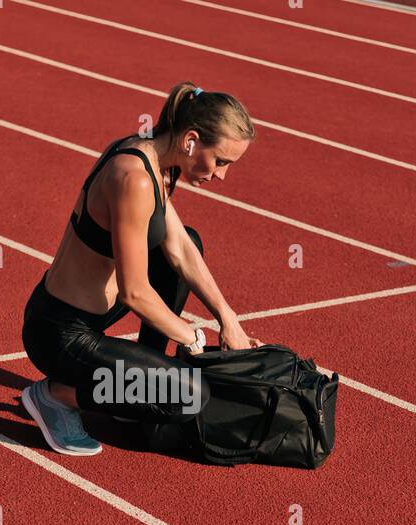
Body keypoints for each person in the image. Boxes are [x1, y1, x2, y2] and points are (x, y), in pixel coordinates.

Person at [20, 82, 262, 456]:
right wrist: (191, 339)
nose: (222, 177)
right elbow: (134, 291)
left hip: (97, 313)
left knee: (189, 241)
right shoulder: (133, 176)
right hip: (61, 333)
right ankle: (57, 396)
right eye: (221, 161)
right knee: (187, 396)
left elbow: (181, 249)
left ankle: (139, 388)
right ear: (191, 141)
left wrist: (228, 321)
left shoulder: (160, 162)